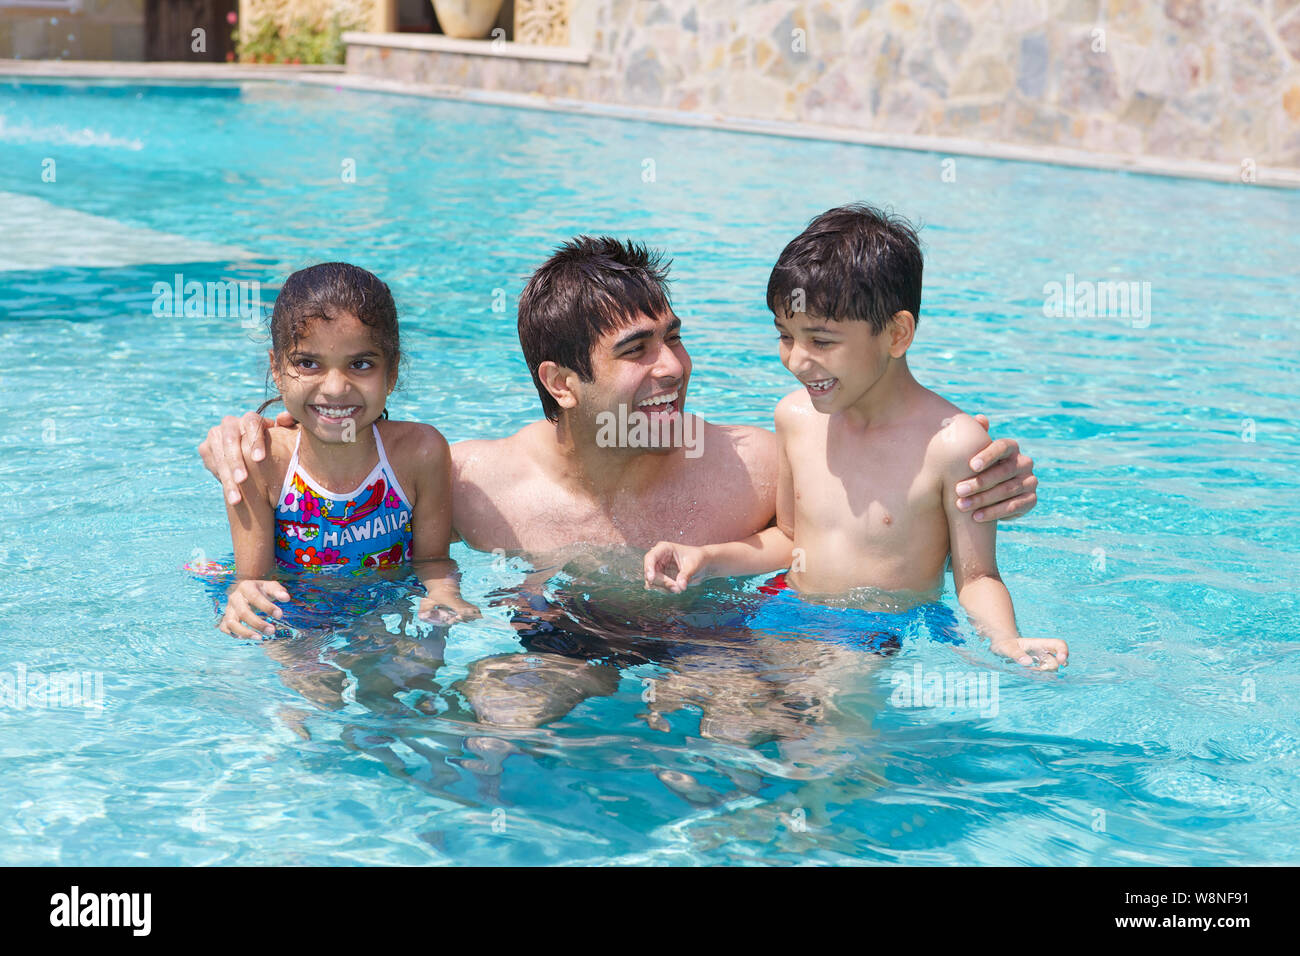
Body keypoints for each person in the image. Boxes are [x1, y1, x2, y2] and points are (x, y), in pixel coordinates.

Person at [200, 237, 1042, 724]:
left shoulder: (755, 460)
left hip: (723, 653)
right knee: (499, 728)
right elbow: (342, 457)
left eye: (673, 337)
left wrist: (997, 480)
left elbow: (882, 447)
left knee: (754, 740)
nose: (674, 367)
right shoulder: (470, 482)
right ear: (563, 381)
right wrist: (247, 433)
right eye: (637, 351)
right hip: (559, 646)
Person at [643, 204, 1068, 670]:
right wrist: (705, 558)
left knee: (821, 726)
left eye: (822, 342)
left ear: (897, 334)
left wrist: (1005, 638)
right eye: (785, 336)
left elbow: (977, 576)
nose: (797, 361)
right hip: (785, 602)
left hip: (876, 628)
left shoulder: (951, 445)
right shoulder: (795, 417)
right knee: (692, 692)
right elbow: (789, 537)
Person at [216, 261, 477, 639]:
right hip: (297, 608)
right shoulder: (261, 462)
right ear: (276, 368)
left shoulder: (420, 452)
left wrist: (444, 593)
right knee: (314, 695)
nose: (335, 388)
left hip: (383, 603)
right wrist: (246, 602)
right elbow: (256, 583)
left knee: (414, 675)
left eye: (360, 364)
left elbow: (433, 561)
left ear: (392, 372)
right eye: (308, 363)